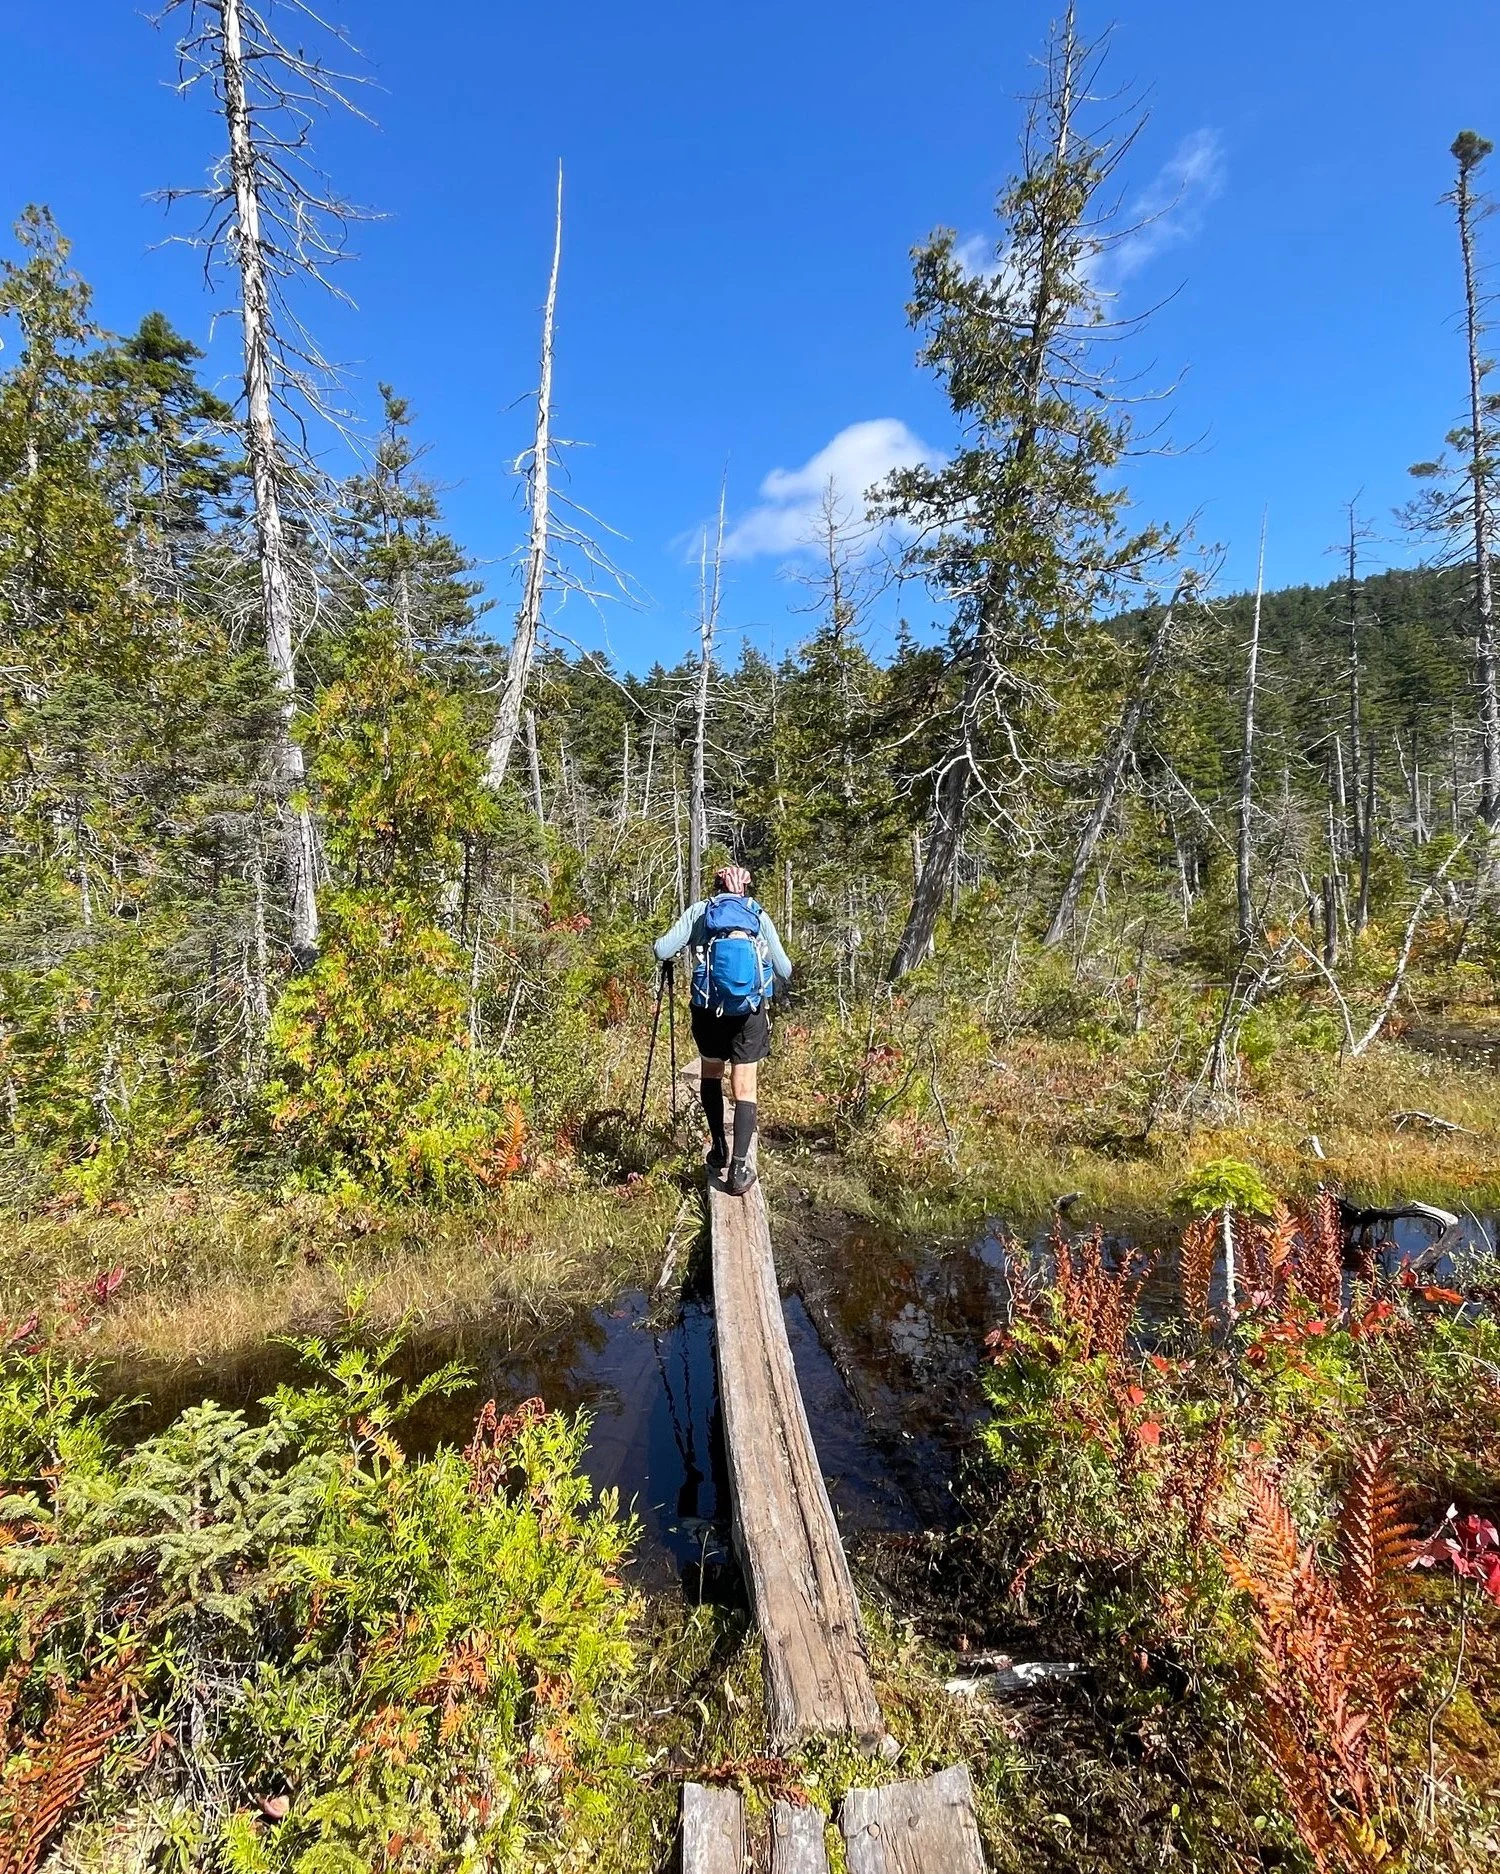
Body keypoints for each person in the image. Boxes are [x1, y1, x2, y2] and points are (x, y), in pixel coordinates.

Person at [653, 863, 792, 1195]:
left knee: (711, 1075)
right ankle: (740, 1170)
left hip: (708, 1011)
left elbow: (662, 949)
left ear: (716, 887)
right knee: (745, 1089)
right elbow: (785, 968)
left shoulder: (701, 912)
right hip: (749, 1013)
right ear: (745, 889)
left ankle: (718, 1148)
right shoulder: (756, 914)